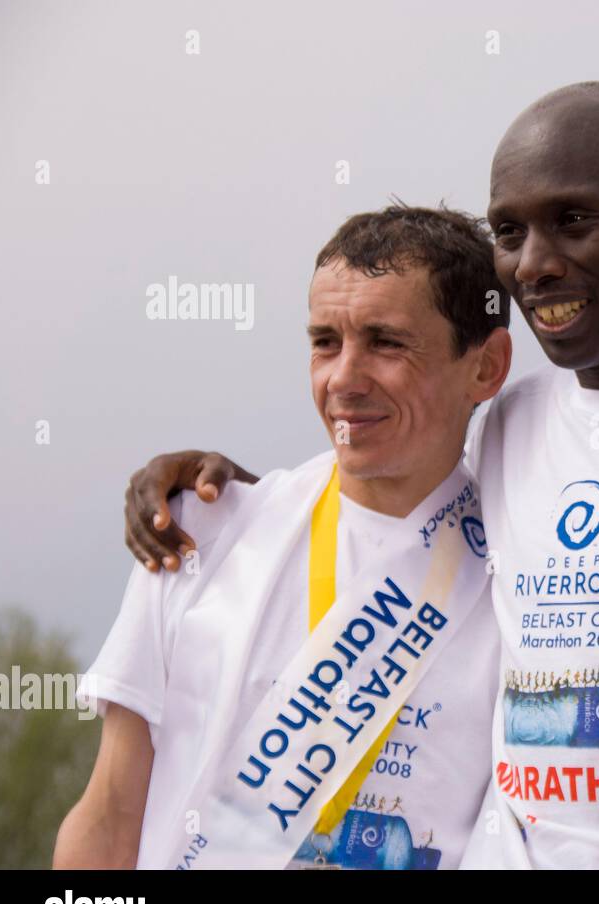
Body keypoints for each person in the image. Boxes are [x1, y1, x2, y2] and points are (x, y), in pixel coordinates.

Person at [112, 83, 599, 869]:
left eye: (573, 221)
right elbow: (381, 484)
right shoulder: (508, 423)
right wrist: (233, 499)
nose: (535, 264)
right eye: (509, 231)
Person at [55, 204, 511, 869]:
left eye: (386, 342)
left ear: (486, 366)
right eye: (325, 341)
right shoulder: (198, 533)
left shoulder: (515, 569)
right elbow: (109, 813)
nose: (343, 379)